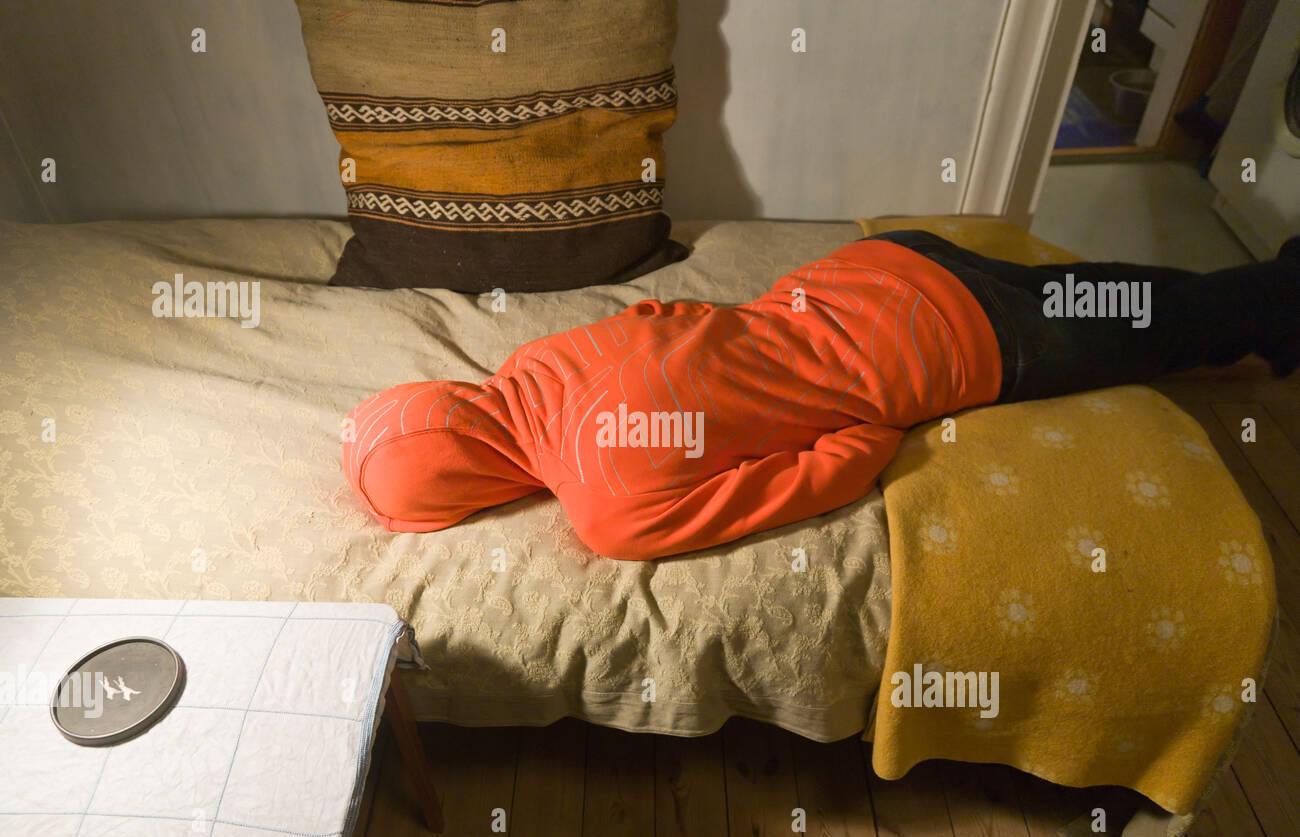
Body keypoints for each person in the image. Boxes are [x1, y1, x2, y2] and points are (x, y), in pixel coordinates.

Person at [343, 231, 1298, 560]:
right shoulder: (544, 358)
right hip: (879, 267)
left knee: (1158, 329)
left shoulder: (609, 512)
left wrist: (869, 421)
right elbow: (685, 312)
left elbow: (824, 476)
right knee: (1110, 293)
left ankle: (1282, 298)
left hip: (946, 345)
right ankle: (1265, 298)